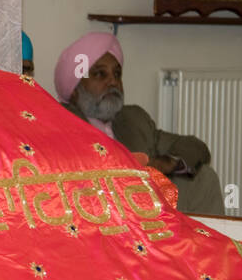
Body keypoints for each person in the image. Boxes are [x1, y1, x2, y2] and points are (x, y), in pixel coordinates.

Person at [54, 32, 224, 214]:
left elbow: (195, 147)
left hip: (149, 210)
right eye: (100, 74)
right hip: (98, 211)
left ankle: (206, 242)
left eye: (117, 74)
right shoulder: (60, 121)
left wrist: (167, 162)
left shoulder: (134, 118)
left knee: (204, 177)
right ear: (75, 90)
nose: (112, 81)